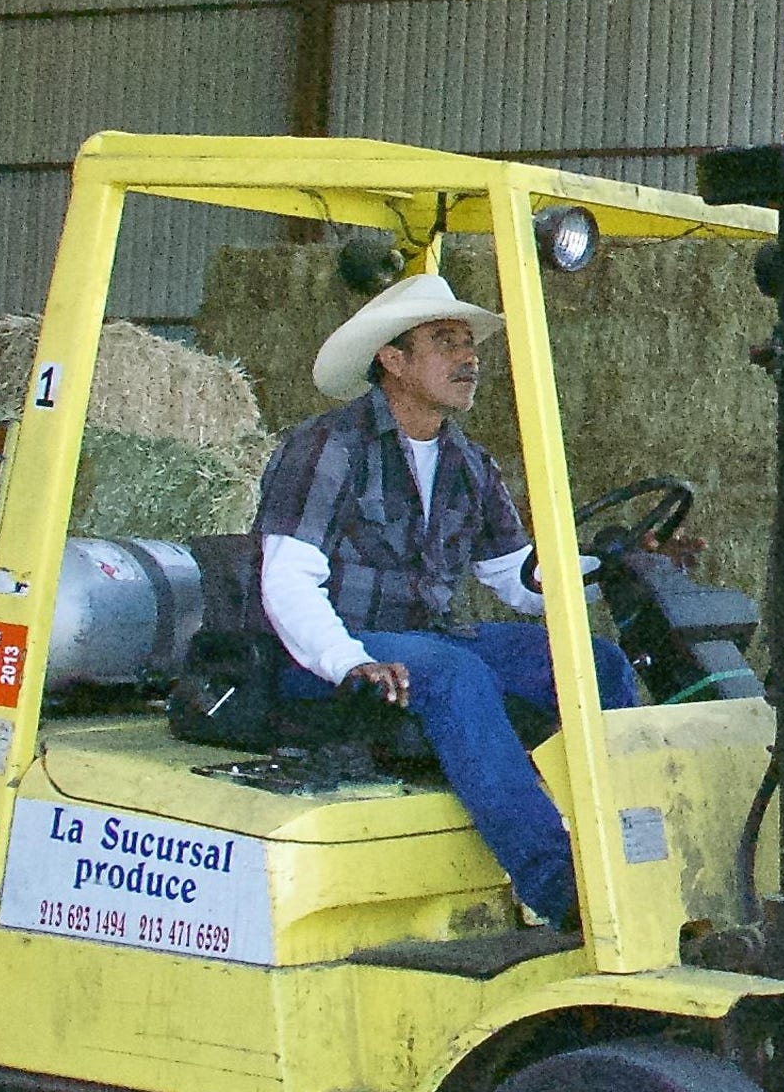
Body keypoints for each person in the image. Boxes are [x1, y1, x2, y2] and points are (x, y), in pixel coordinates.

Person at [253, 271, 641, 929]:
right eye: (445, 342)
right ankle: (565, 891)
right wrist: (349, 661)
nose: (468, 359)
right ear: (393, 360)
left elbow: (516, 577)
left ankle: (633, 853)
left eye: (469, 344)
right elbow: (287, 580)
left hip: (426, 641)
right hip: (326, 654)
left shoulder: (467, 461)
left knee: (596, 662)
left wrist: (617, 566)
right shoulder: (328, 447)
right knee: (454, 674)